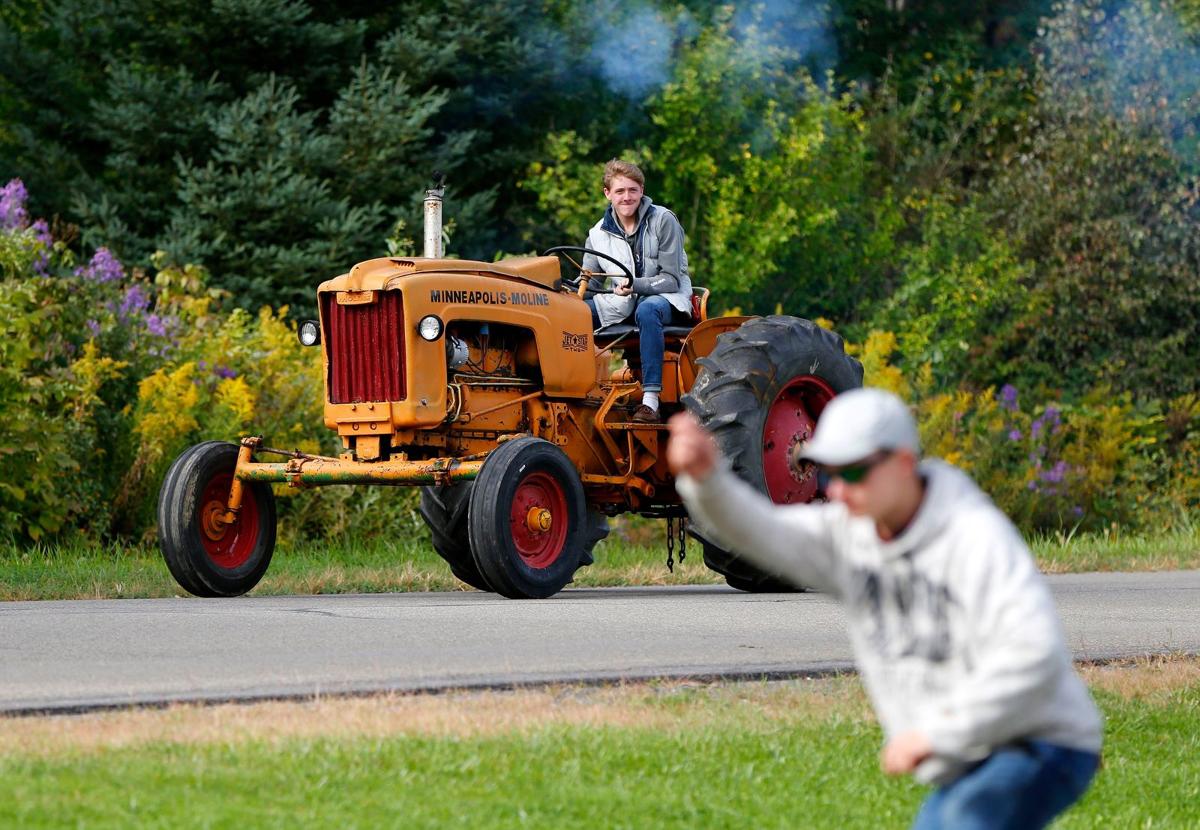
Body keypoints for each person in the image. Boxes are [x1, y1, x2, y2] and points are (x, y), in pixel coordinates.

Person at [667, 388, 1102, 830]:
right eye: (828, 473)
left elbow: (1034, 655)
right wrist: (707, 481)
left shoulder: (973, 538)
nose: (837, 489)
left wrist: (938, 734)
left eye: (854, 470)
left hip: (1041, 738)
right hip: (973, 745)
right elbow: (764, 532)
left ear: (903, 465)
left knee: (956, 822)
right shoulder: (850, 535)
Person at [582, 159, 693, 423]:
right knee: (572, 314)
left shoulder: (664, 220)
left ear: (642, 190)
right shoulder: (597, 234)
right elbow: (589, 283)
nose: (626, 197)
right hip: (620, 303)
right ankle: (577, 392)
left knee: (647, 308)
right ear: (607, 194)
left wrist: (636, 286)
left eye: (632, 190)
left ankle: (651, 401)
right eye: (619, 191)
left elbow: (670, 280)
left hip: (666, 299)